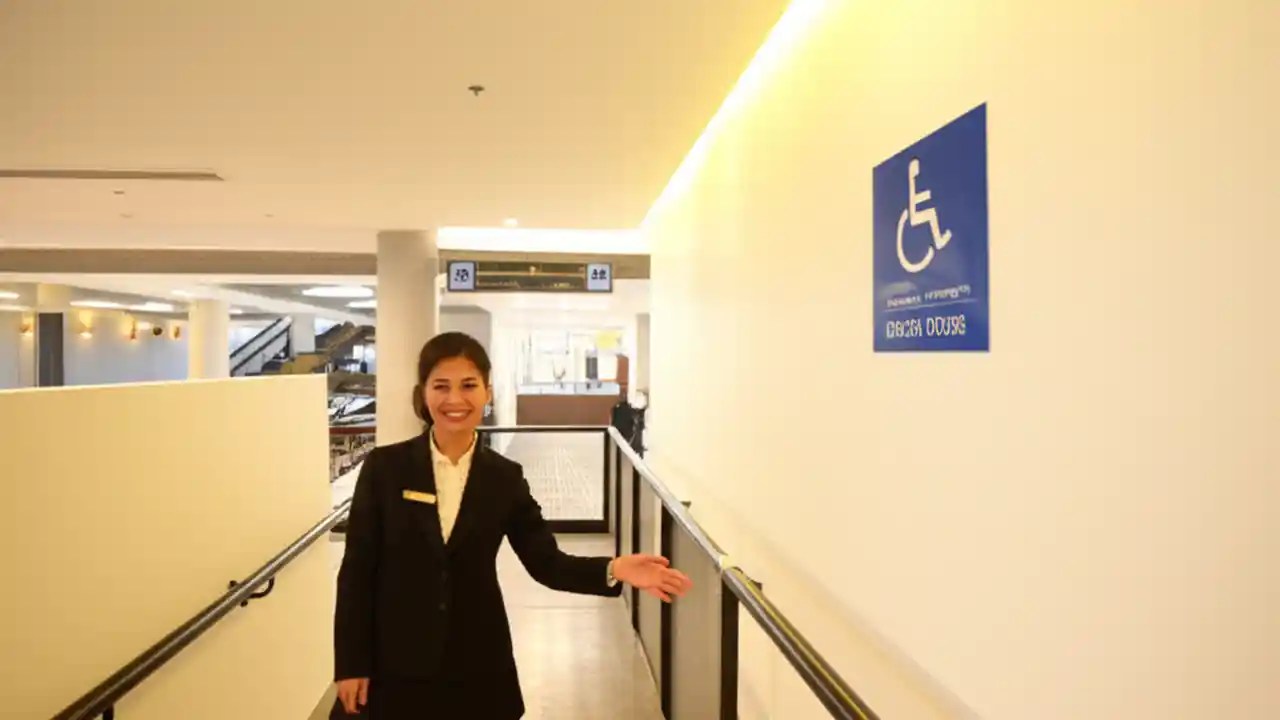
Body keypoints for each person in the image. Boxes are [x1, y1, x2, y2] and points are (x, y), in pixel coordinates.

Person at [332, 332, 692, 719]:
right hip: (396, 662)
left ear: (487, 393)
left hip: (477, 663)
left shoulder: (503, 478)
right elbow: (357, 572)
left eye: (468, 385)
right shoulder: (385, 468)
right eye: (441, 386)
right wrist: (351, 663)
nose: (455, 399)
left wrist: (614, 569)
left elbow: (547, 563)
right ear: (423, 394)